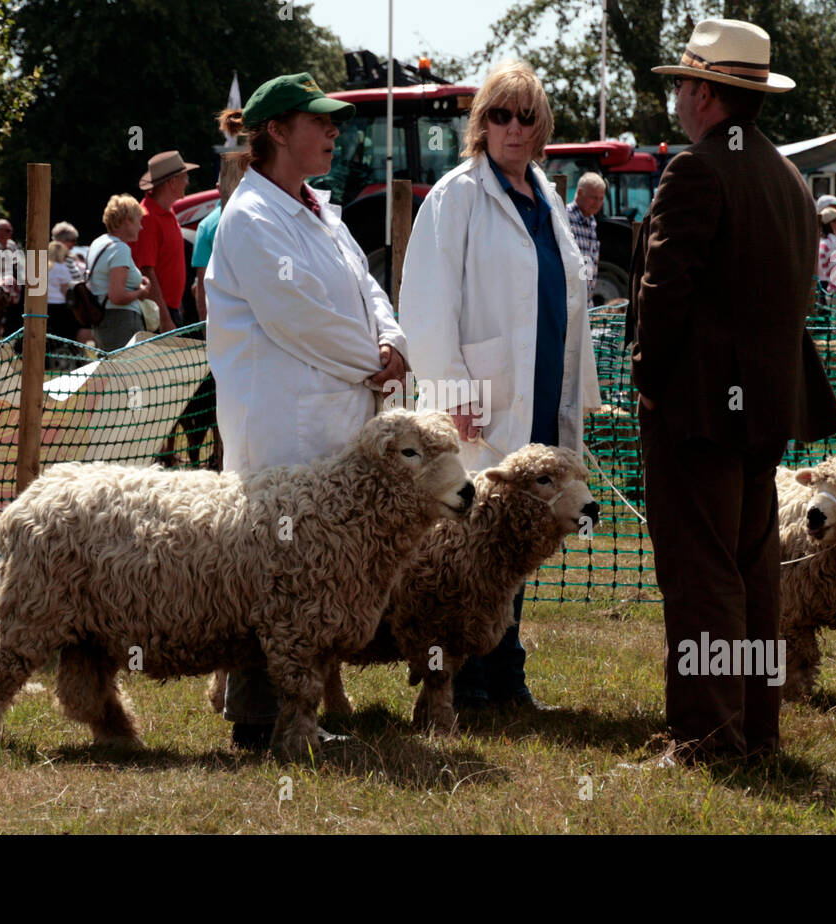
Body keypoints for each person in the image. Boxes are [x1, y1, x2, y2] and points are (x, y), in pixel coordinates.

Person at [633, 18, 836, 763]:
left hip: (697, 408)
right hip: (765, 409)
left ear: (705, 93)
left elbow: (665, 291)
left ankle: (707, 737)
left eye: (683, 84)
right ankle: (756, 730)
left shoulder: (697, 169)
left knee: (702, 574)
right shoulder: (784, 175)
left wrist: (648, 383)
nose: (680, 99)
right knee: (751, 573)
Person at [206, 72, 408, 750]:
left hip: (335, 415)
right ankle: (259, 722)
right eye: (317, 121)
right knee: (276, 572)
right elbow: (300, 318)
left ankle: (302, 717)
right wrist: (374, 360)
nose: (332, 132)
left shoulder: (323, 210)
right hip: (281, 424)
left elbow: (368, 289)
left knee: (317, 570)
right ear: (275, 132)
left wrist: (392, 338)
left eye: (332, 122)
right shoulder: (252, 218)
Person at [400, 59, 601, 713]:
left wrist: (579, 399)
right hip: (479, 407)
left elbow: (569, 307)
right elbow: (427, 306)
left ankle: (506, 674)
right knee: (470, 549)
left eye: (526, 116)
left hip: (540, 398)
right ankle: (463, 679)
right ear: (479, 123)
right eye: (499, 115)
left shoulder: (547, 197)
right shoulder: (456, 196)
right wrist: (454, 394)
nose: (513, 128)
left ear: (541, 129)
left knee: (516, 544)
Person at [132, 150, 195, 331]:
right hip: (157, 313)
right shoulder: (148, 218)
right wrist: (164, 319)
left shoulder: (166, 211)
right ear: (172, 182)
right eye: (185, 177)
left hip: (169, 309)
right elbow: (147, 271)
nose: (188, 182)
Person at [86, 195, 152, 351]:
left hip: (103, 323)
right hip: (120, 323)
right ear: (127, 220)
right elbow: (117, 296)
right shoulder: (120, 248)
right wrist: (140, 292)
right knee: (128, 374)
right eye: (138, 220)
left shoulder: (99, 243)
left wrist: (135, 279)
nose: (141, 227)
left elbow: (105, 278)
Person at [190, 158, 246, 323]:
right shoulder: (261, 219)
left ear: (218, 188)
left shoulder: (206, 226)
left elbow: (202, 284)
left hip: (222, 319)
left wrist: (203, 324)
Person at [567, 172, 606, 306]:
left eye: (601, 199)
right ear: (579, 193)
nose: (598, 203)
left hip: (584, 302)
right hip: (568, 301)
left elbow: (588, 264)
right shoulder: (565, 219)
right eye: (594, 198)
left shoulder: (592, 223)